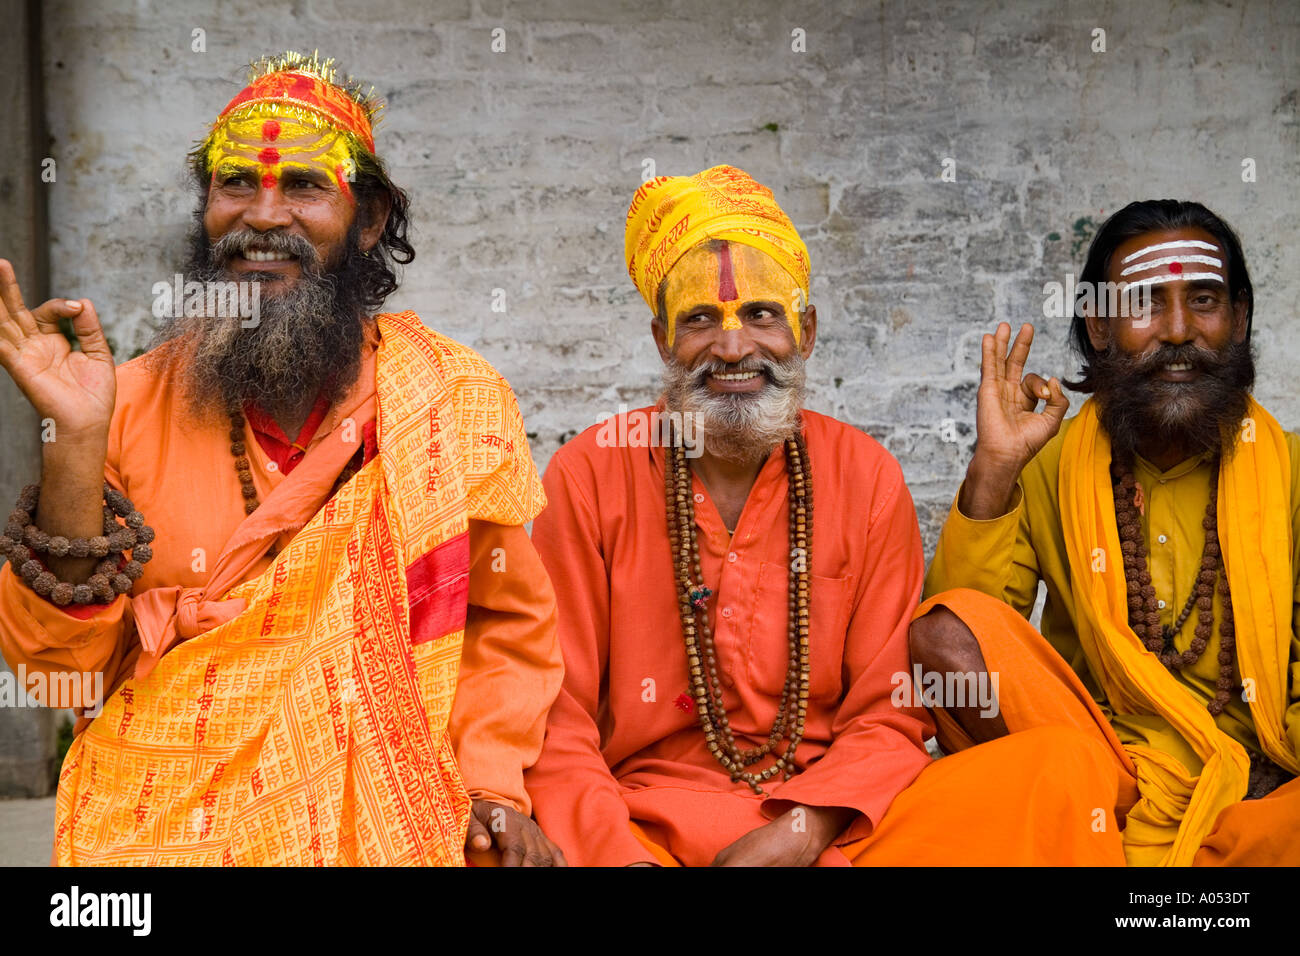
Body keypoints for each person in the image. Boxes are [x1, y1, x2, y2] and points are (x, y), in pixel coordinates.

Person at [0, 51, 566, 866]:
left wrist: (492, 787)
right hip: (164, 815)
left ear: (366, 219)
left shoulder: (449, 396)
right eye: (237, 185)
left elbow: (505, 629)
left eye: (303, 187)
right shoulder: (125, 402)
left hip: (390, 809)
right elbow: (62, 673)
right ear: (206, 210)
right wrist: (76, 445)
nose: (264, 216)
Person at [523, 165, 1127, 866]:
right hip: (645, 826)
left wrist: (800, 831)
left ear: (805, 331)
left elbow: (888, 711)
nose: (733, 347)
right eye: (699, 320)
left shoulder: (865, 476)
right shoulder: (591, 473)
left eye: (761, 314)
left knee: (1057, 767)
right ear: (663, 342)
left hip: (838, 824)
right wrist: (615, 857)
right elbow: (556, 717)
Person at [917, 199, 1300, 866]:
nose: (1178, 331)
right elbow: (969, 637)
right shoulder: (1048, 465)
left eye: (1204, 301)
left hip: (1261, 774)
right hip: (1104, 762)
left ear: (1238, 321)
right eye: (1145, 303)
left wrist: (1258, 770)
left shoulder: (1292, 470)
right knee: (941, 633)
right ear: (1099, 325)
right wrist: (996, 469)